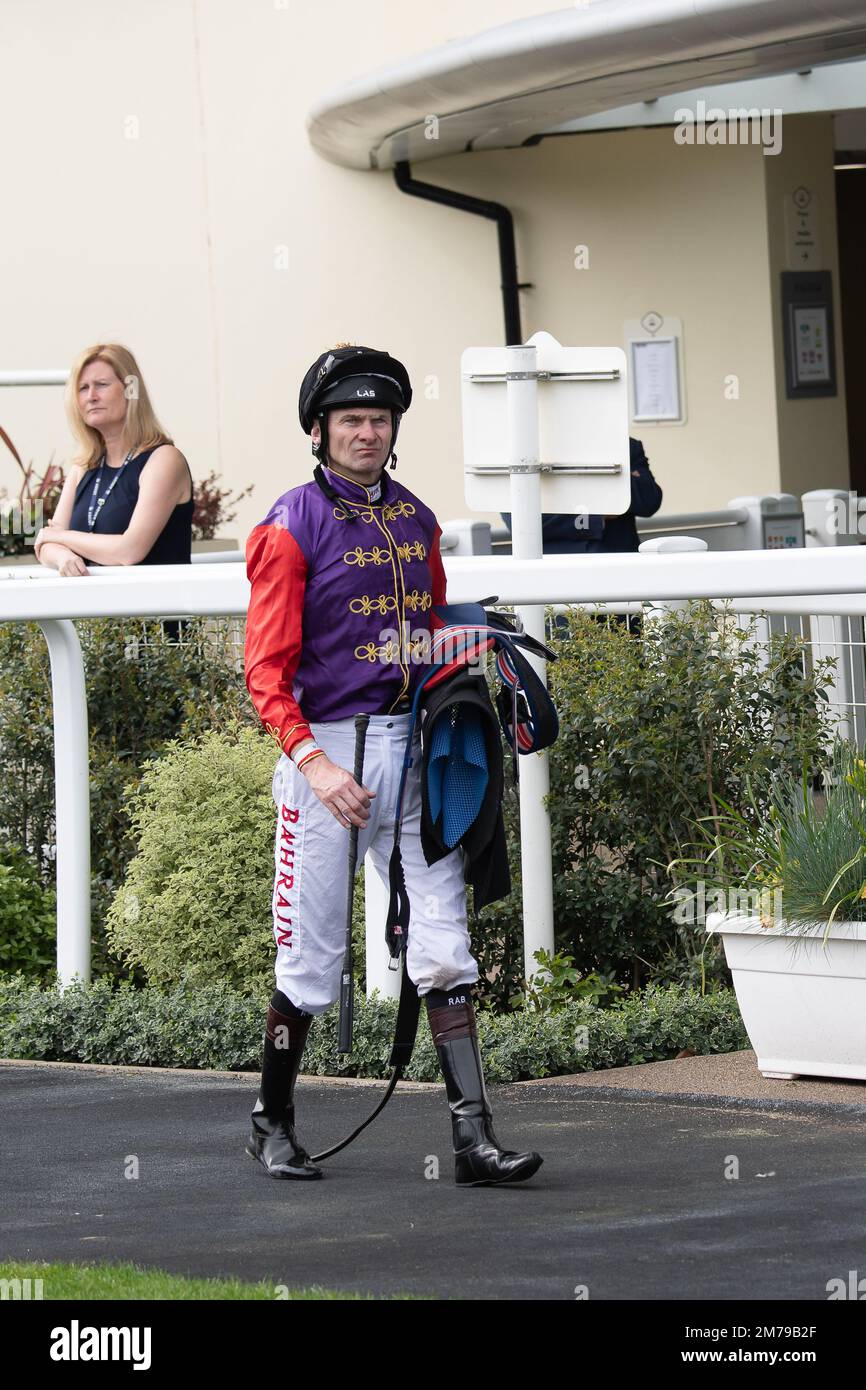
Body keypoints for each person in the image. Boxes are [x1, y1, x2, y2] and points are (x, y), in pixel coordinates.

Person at [243, 344, 543, 1187]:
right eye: (351, 421)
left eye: (379, 419)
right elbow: (265, 672)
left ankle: (473, 1141)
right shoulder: (287, 525)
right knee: (309, 956)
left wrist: (487, 650)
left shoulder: (415, 519)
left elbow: (427, 631)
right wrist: (314, 765)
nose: (367, 432)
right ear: (320, 431)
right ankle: (272, 1120)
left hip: (413, 748)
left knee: (444, 943)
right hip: (327, 753)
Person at [34, 343, 193, 576]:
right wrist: (63, 556)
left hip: (153, 608)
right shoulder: (84, 466)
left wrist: (60, 537)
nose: (91, 396)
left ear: (131, 390)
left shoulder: (164, 460)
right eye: (83, 388)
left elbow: (129, 551)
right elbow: (45, 544)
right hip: (90, 609)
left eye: (101, 385)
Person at [501, 437, 662, 554]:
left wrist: (608, 470)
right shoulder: (525, 452)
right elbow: (519, 521)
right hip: (555, 570)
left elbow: (649, 501)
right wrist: (598, 515)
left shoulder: (625, 446)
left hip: (618, 566)